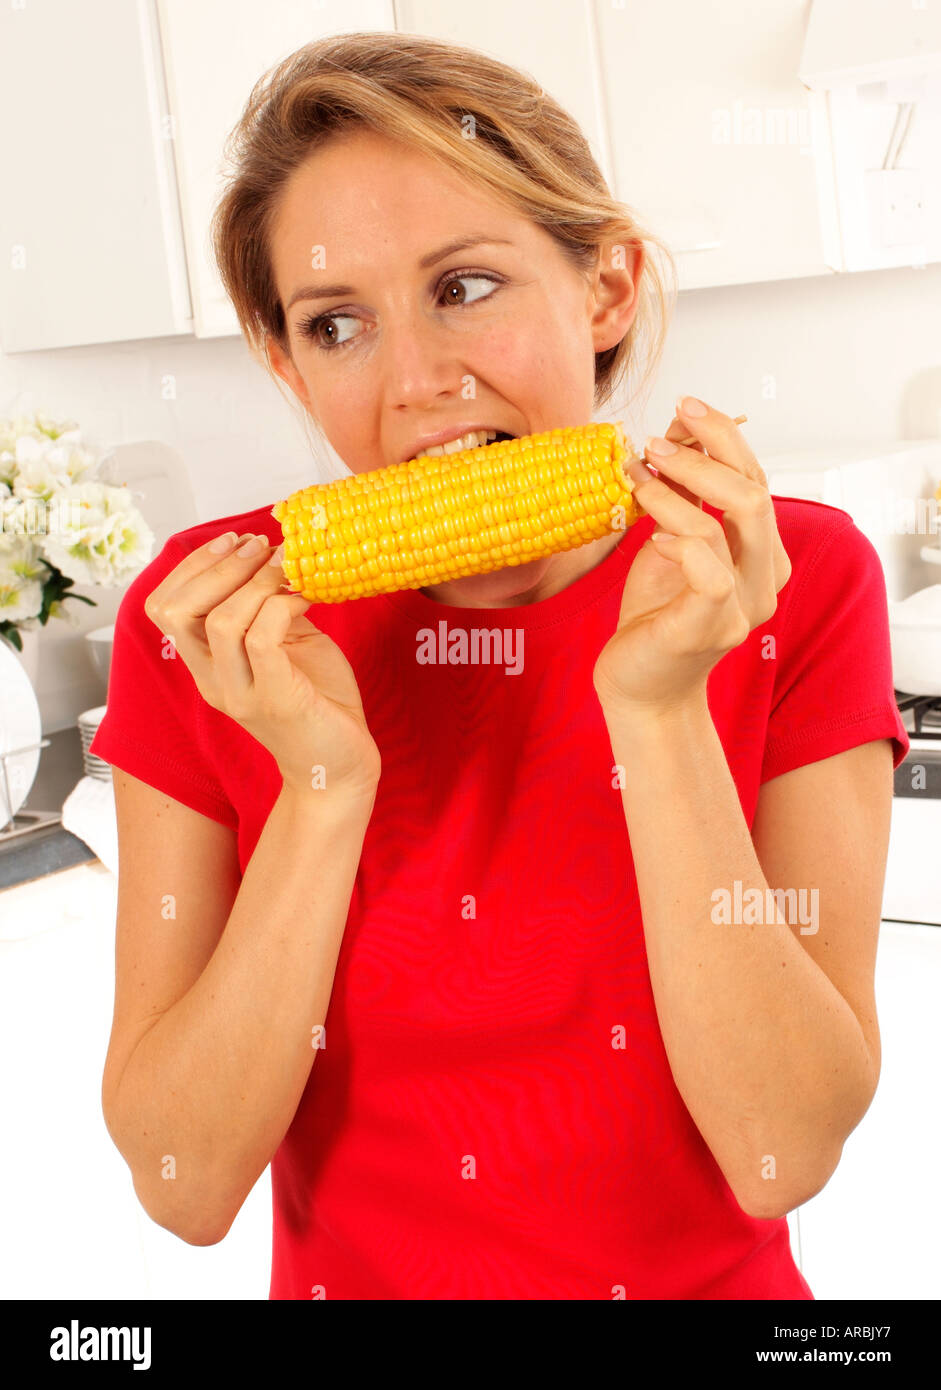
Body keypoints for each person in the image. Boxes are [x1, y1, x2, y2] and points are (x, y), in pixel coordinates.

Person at [92, 31, 909, 1300]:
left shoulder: (792, 578)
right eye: (337, 321)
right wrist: (317, 791)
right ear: (283, 361)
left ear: (606, 290)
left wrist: (658, 709)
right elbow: (182, 1182)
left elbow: (779, 1149)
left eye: (464, 287)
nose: (417, 380)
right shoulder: (211, 623)